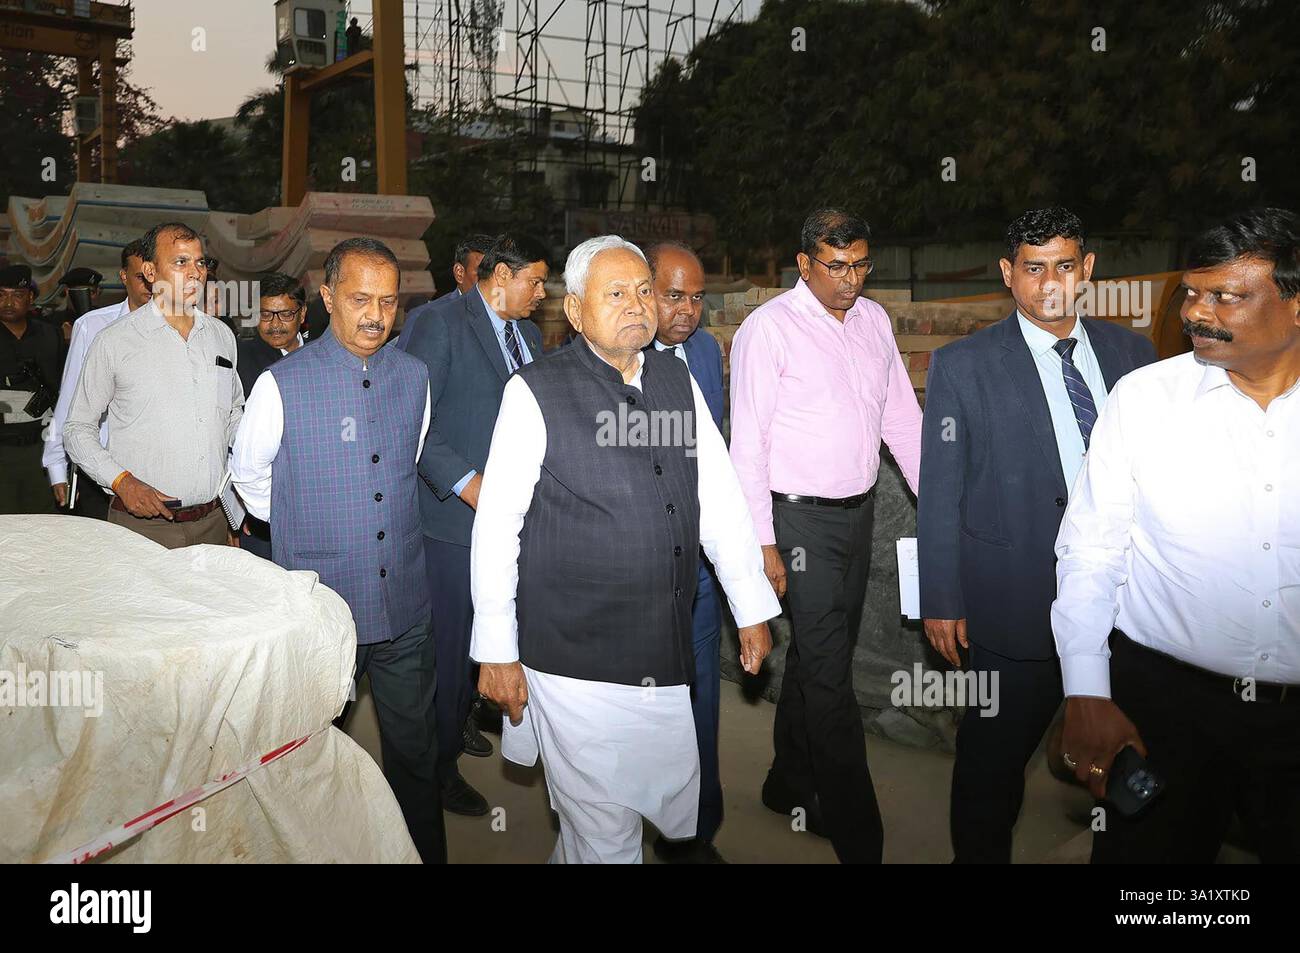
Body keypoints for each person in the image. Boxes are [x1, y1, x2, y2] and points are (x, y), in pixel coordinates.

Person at [471, 235, 780, 863]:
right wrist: (497, 652)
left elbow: (718, 498)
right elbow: (497, 526)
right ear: (577, 311)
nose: (637, 304)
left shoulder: (675, 379)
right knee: (607, 832)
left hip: (658, 651)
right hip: (571, 658)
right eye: (616, 294)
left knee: (608, 823)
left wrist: (750, 605)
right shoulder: (536, 392)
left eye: (644, 290)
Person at [1054, 208, 1300, 864]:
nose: (1197, 311)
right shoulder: (1143, 401)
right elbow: (1090, 550)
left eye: (1227, 296)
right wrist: (1086, 689)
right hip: (1165, 708)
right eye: (1192, 291)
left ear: (1296, 305)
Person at [917, 207, 1157, 863]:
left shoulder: (1135, 355)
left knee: (1131, 764)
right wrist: (940, 594)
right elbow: (941, 486)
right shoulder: (962, 366)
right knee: (991, 770)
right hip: (1013, 603)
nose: (1049, 282)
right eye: (1033, 267)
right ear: (1008, 273)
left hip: (1128, 604)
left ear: (1087, 269)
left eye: (1063, 265)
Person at [230, 237, 445, 863]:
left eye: (386, 301)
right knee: (305, 753)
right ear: (326, 298)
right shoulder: (280, 384)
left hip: (405, 607)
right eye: (359, 299)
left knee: (415, 753)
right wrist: (309, 523)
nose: (375, 314)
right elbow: (248, 478)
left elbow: (407, 460)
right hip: (322, 611)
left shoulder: (414, 375)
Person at [729, 207, 922, 863]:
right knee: (832, 679)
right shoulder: (769, 329)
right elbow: (747, 444)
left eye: (861, 264)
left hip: (859, 511)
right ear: (805, 263)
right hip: (797, 518)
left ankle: (788, 780)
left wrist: (942, 506)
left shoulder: (875, 322)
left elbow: (903, 420)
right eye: (836, 266)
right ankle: (857, 831)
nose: (851, 279)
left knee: (820, 658)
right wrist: (762, 543)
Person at [404, 234, 547, 816]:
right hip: (451, 524)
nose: (543, 293)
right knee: (444, 655)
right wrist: (471, 487)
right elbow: (413, 419)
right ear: (501, 275)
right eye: (535, 280)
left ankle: (454, 738)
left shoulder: (531, 337)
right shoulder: (438, 323)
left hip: (515, 523)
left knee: (485, 647)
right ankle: (429, 776)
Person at [63, 223, 242, 548]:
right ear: (149, 271)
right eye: (181, 262)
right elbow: (76, 429)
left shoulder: (221, 337)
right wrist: (122, 482)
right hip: (143, 527)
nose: (195, 273)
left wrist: (238, 507)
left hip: (214, 522)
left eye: (200, 263)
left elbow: (233, 417)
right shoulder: (115, 342)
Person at [641, 240, 729, 863]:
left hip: (698, 567)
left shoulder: (704, 351)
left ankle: (694, 836)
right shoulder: (613, 353)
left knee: (702, 700)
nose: (688, 311)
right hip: (637, 573)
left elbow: (718, 456)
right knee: (643, 711)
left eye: (697, 298)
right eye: (674, 296)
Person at [44, 241, 153, 518]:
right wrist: (57, 465)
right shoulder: (93, 326)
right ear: (124, 276)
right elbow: (69, 398)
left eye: (153, 275)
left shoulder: (182, 326)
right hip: (98, 469)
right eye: (140, 276)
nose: (149, 284)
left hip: (157, 468)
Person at [232, 272, 307, 559]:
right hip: (258, 513)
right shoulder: (239, 358)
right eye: (266, 315)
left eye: (285, 314)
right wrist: (238, 508)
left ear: (302, 314)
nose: (275, 324)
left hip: (314, 504)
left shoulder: (321, 356)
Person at [0, 264, 61, 515]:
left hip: (42, 447)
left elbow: (63, 387)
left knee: (42, 525)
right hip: (3, 450)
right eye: (1, 294)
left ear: (31, 298)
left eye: (16, 295)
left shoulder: (50, 335)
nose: (8, 302)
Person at [396, 233, 495, 352]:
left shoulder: (510, 317)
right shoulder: (423, 317)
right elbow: (404, 368)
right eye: (483, 273)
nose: (492, 281)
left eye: (497, 274)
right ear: (460, 273)